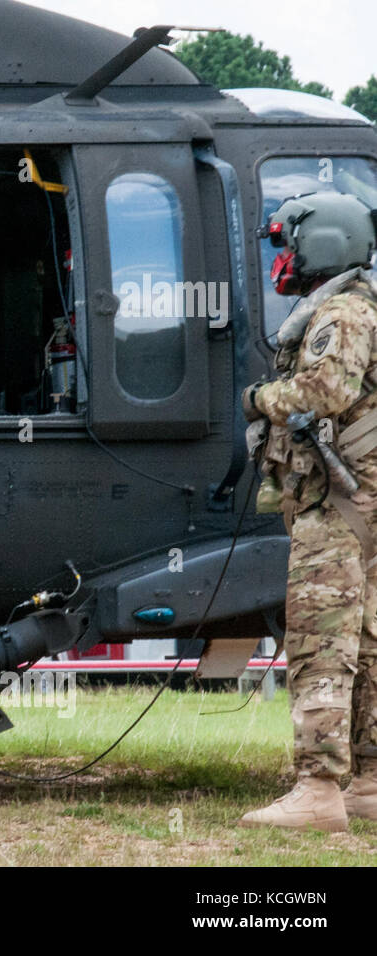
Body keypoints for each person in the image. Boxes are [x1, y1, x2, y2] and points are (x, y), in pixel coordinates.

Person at [240, 191, 377, 831]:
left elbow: (322, 392)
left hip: (338, 508)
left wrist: (259, 396)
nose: (286, 256)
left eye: (292, 242)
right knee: (368, 643)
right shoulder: (362, 306)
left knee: (320, 642)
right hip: (363, 505)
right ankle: (369, 783)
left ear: (322, 241)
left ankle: (319, 791)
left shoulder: (343, 315)